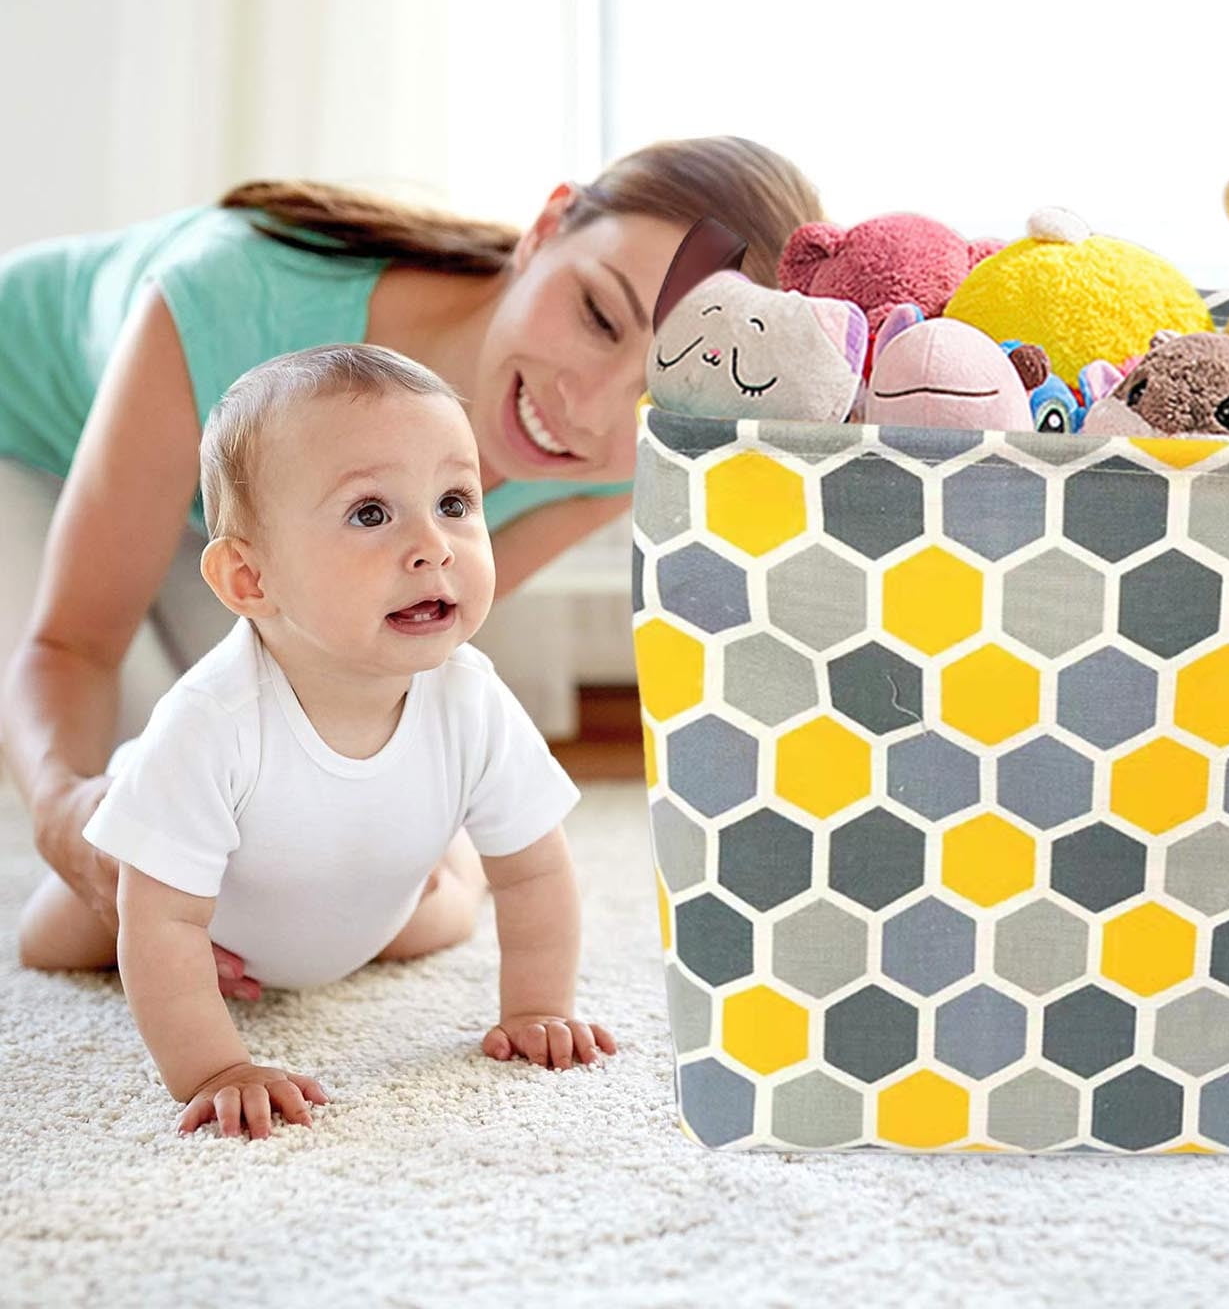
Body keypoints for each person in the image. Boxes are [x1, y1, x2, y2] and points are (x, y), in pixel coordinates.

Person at [0, 136, 823, 996]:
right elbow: (71, 645)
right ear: (546, 228)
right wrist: (67, 822)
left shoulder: (620, 457)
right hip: (20, 447)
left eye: (655, 389)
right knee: (153, 802)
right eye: (599, 316)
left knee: (286, 749)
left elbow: (411, 650)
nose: (585, 410)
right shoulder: (230, 296)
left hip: (213, 530)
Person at [20, 345, 616, 1138]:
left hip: (369, 902)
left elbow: (537, 870)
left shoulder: (471, 697)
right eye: (371, 513)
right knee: (53, 942)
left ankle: (446, 866)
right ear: (250, 581)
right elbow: (163, 925)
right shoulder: (211, 723)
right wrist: (218, 1067)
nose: (434, 545)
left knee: (441, 916)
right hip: (202, 900)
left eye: (453, 502)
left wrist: (538, 1008)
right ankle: (428, 863)